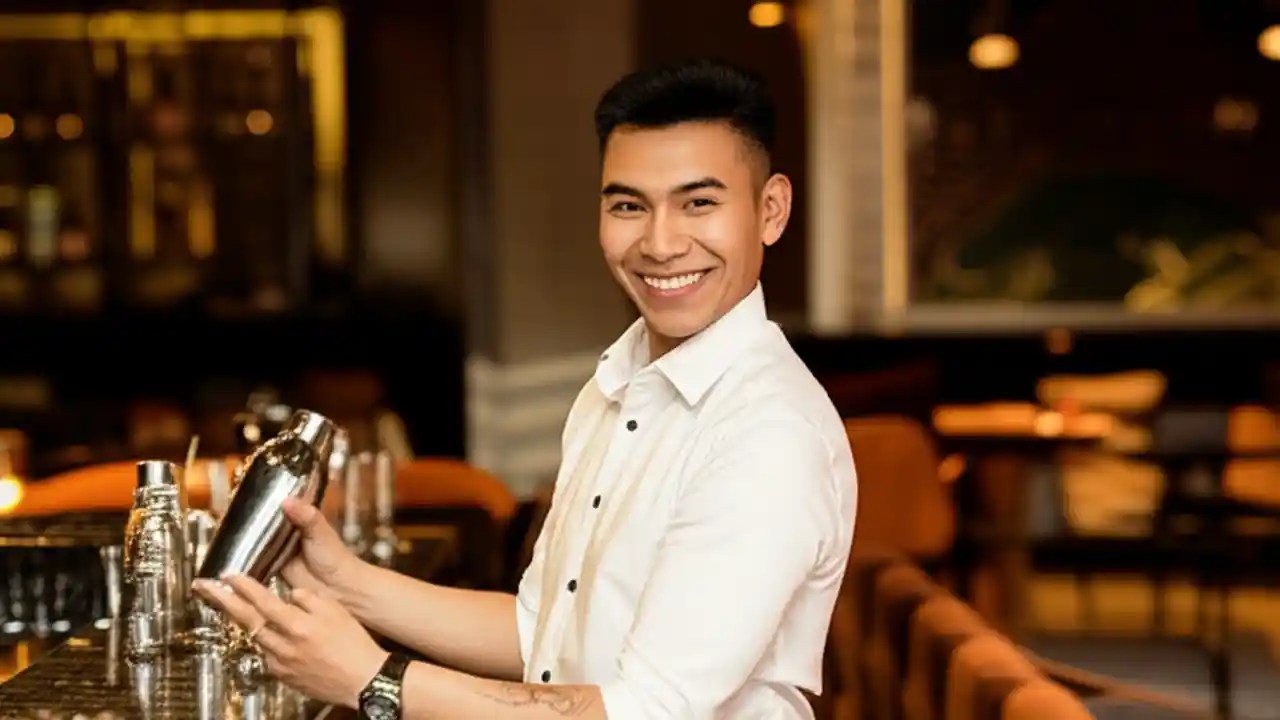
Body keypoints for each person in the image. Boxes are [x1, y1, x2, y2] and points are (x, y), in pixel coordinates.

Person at [195, 57, 857, 720]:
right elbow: (543, 629)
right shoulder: (615, 386)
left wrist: (375, 681)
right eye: (629, 205)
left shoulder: (768, 436)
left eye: (699, 204)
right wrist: (348, 582)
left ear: (770, 211)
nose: (660, 243)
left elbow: (648, 710)